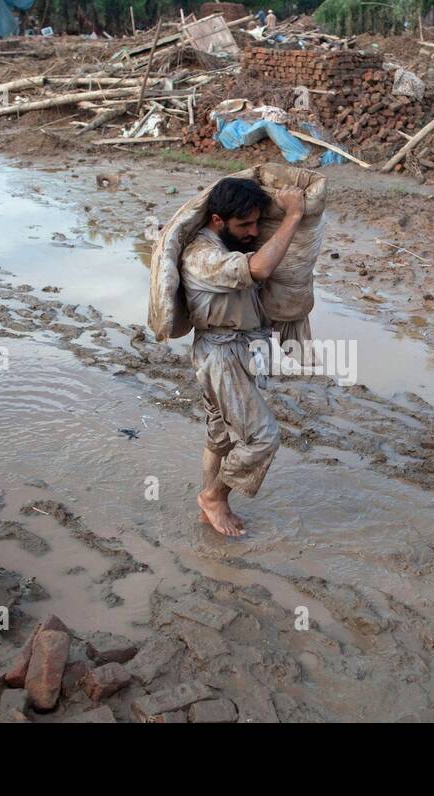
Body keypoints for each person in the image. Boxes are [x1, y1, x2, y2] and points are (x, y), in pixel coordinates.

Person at [180, 178, 305, 536]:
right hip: (221, 355)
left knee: (220, 435)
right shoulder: (203, 256)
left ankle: (209, 508)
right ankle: (214, 496)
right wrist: (293, 215)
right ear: (218, 220)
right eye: (244, 225)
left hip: (237, 350)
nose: (252, 232)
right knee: (263, 436)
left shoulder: (224, 242)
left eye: (256, 223)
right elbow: (259, 269)